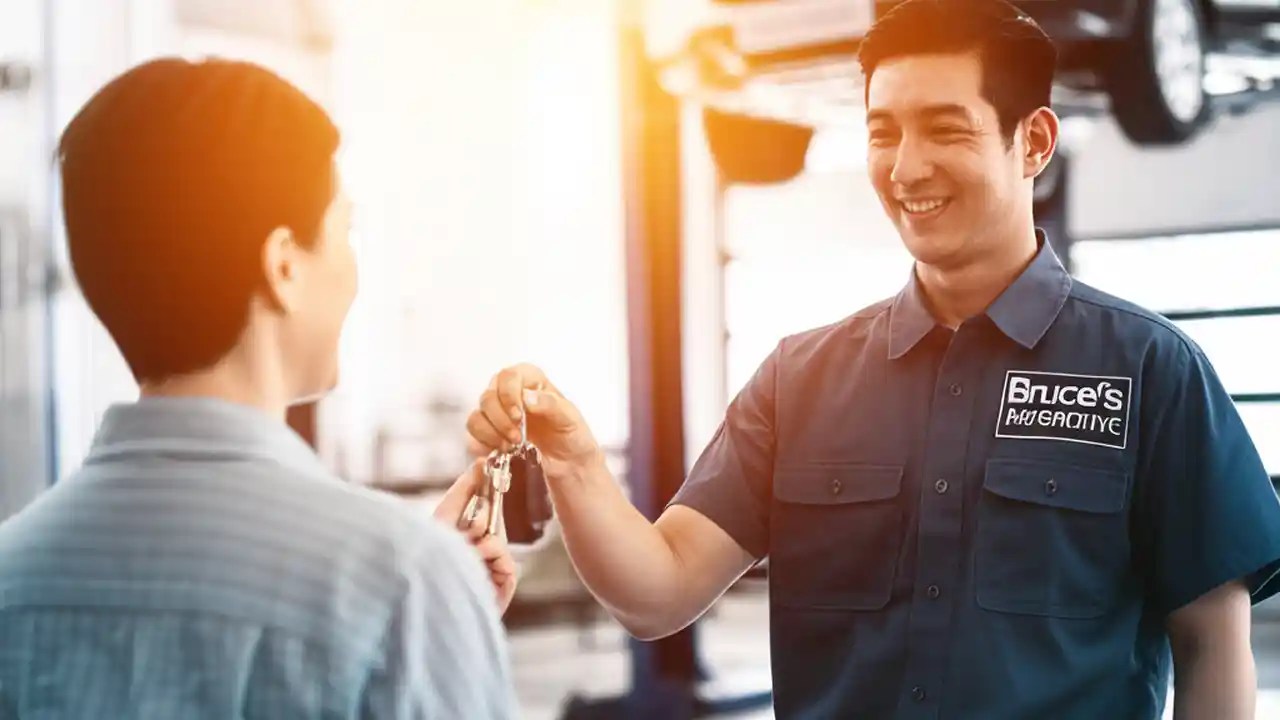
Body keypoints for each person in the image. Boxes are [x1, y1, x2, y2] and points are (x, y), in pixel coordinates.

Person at [466, 1, 1280, 718]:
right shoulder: (799, 381)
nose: (905, 167)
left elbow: (1211, 646)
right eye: (883, 131)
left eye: (945, 129)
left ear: (1032, 141)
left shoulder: (1151, 372)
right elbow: (659, 591)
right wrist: (573, 461)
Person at [0, 58, 517, 719]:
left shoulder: (12, 574)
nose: (354, 270)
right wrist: (434, 618)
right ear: (283, 266)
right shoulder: (402, 583)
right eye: (345, 231)